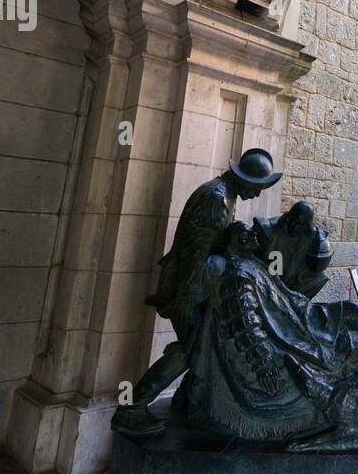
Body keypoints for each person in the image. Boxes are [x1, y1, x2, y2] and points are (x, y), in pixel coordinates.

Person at [111, 148, 282, 436]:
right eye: (258, 187)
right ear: (246, 180)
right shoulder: (215, 199)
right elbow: (196, 256)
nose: (258, 194)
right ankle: (131, 407)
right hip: (188, 288)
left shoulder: (225, 195)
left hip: (198, 287)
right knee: (189, 351)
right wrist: (188, 300)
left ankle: (190, 400)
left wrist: (234, 235)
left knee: (203, 348)